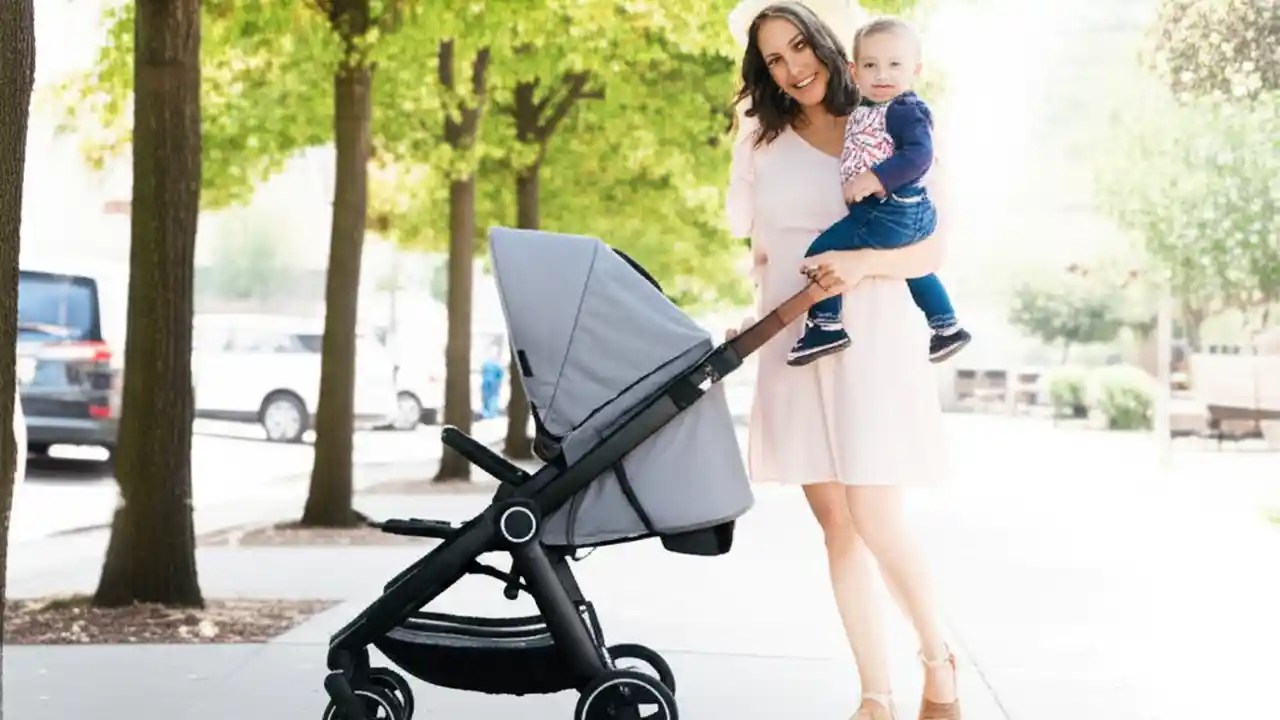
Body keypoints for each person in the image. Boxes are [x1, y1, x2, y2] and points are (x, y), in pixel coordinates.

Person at [725, 3, 960, 719]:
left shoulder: (892, 115)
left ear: (829, 46)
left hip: (875, 332)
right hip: (797, 338)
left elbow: (931, 250)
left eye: (800, 47)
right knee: (837, 526)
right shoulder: (762, 139)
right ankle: (876, 694)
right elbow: (752, 240)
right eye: (773, 59)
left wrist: (859, 264)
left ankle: (937, 655)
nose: (793, 67)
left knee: (876, 514)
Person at [787, 17, 969, 367]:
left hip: (890, 206)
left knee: (822, 252)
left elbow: (919, 154)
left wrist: (875, 177)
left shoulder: (904, 109)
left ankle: (826, 325)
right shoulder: (868, 110)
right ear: (854, 72)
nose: (882, 74)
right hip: (899, 210)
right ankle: (946, 327)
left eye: (894, 64)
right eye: (871, 65)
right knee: (914, 269)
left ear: (915, 69)